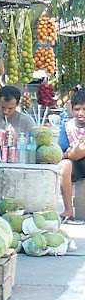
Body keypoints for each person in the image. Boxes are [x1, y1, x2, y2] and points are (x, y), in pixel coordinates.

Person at [56, 89, 85, 221]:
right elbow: (59, 153)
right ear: (72, 110)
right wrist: (71, 154)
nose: (81, 113)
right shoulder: (67, 126)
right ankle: (68, 209)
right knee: (64, 165)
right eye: (77, 109)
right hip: (76, 167)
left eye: (84, 109)